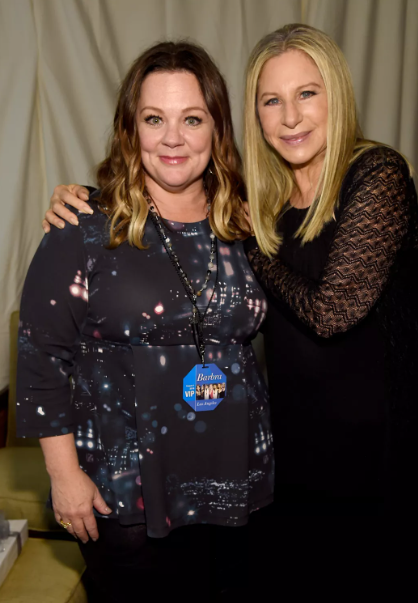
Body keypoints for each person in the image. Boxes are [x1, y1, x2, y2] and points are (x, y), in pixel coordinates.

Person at [42, 23, 418, 595]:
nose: (290, 117)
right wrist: (87, 201)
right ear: (251, 116)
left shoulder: (375, 174)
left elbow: (332, 311)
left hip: (389, 452)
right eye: (272, 100)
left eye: (307, 93)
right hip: (298, 455)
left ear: (336, 95)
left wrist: (250, 245)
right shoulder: (260, 204)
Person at [17, 40, 273, 602]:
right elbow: (41, 356)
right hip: (127, 493)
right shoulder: (84, 225)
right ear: (131, 130)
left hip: (234, 482)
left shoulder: (246, 222)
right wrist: (64, 478)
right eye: (154, 119)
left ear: (218, 129)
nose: (173, 138)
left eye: (192, 119)